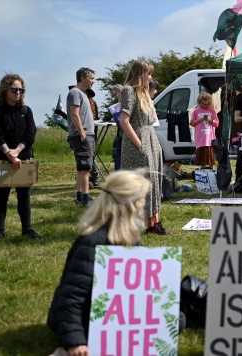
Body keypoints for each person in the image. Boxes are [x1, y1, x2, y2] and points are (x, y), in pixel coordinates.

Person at [47, 170, 151, 355]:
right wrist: (76, 342)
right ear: (128, 205)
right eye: (141, 201)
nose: (143, 207)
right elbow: (70, 300)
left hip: (114, 319)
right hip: (89, 322)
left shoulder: (130, 240)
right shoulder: (92, 243)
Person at [0, 74, 40, 240]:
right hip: (1, 158)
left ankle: (27, 229)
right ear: (5, 90)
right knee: (1, 194)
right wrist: (8, 153)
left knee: (24, 195)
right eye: (14, 89)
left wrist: (17, 151)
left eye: (21, 90)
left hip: (23, 158)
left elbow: (30, 133)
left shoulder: (26, 111)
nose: (18, 92)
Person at [119, 60, 166, 235]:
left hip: (150, 139)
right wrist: (139, 144)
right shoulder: (129, 91)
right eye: (149, 74)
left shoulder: (144, 93)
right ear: (140, 74)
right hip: (138, 142)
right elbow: (124, 121)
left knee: (153, 182)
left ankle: (153, 220)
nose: (151, 77)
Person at [67, 67, 96, 207]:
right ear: (83, 77)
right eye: (91, 78)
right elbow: (74, 113)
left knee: (82, 168)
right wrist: (82, 132)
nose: (93, 81)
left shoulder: (83, 94)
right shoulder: (75, 92)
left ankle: (79, 196)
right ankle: (85, 197)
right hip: (82, 135)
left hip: (86, 134)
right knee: (85, 166)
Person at [190, 92, 219, 168]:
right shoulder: (195, 111)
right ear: (199, 102)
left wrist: (210, 121)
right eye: (203, 104)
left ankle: (210, 170)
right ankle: (202, 171)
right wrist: (200, 119)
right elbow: (192, 123)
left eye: (207, 104)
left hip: (210, 139)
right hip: (200, 139)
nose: (205, 106)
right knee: (201, 158)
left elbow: (217, 124)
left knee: (210, 158)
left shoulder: (212, 111)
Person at [108, 85, 124, 170]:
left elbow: (121, 120)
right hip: (120, 134)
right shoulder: (118, 105)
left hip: (123, 134)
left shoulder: (122, 105)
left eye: (116, 93)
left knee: (119, 154)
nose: (114, 96)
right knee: (117, 153)